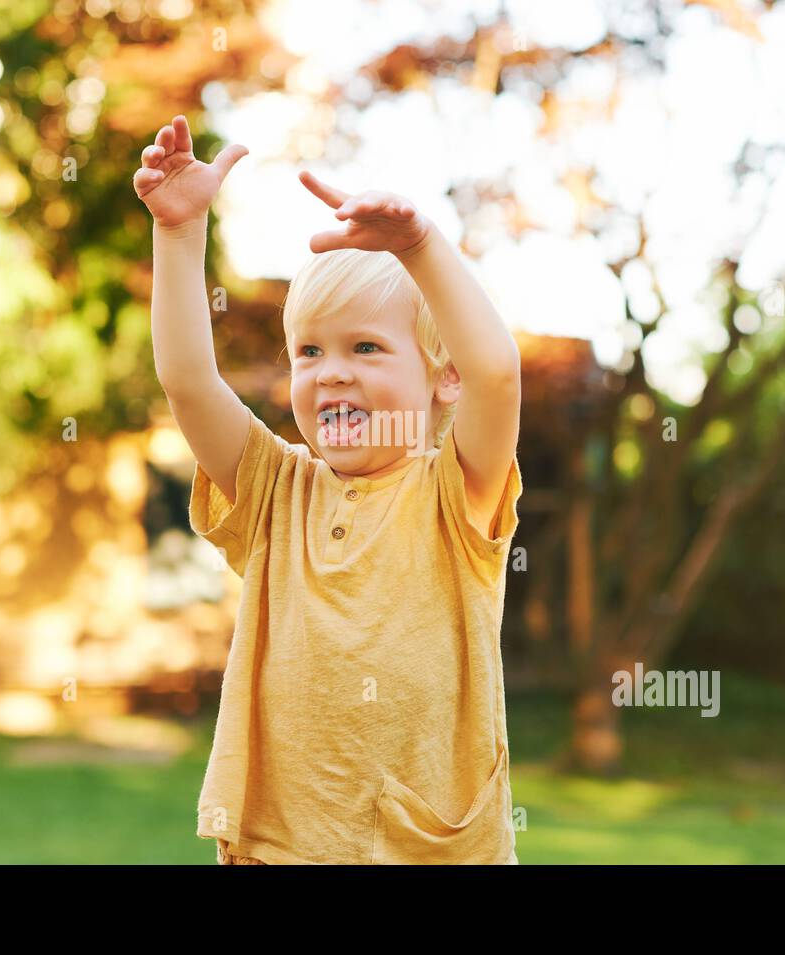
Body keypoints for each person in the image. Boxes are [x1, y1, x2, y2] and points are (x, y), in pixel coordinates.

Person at [133, 115, 523, 865]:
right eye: (309, 350)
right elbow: (187, 380)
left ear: (443, 376)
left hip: (427, 849)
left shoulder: (456, 492)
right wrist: (180, 236)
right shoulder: (275, 488)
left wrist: (419, 248)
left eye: (366, 347)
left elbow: (498, 372)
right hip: (280, 847)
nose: (331, 371)